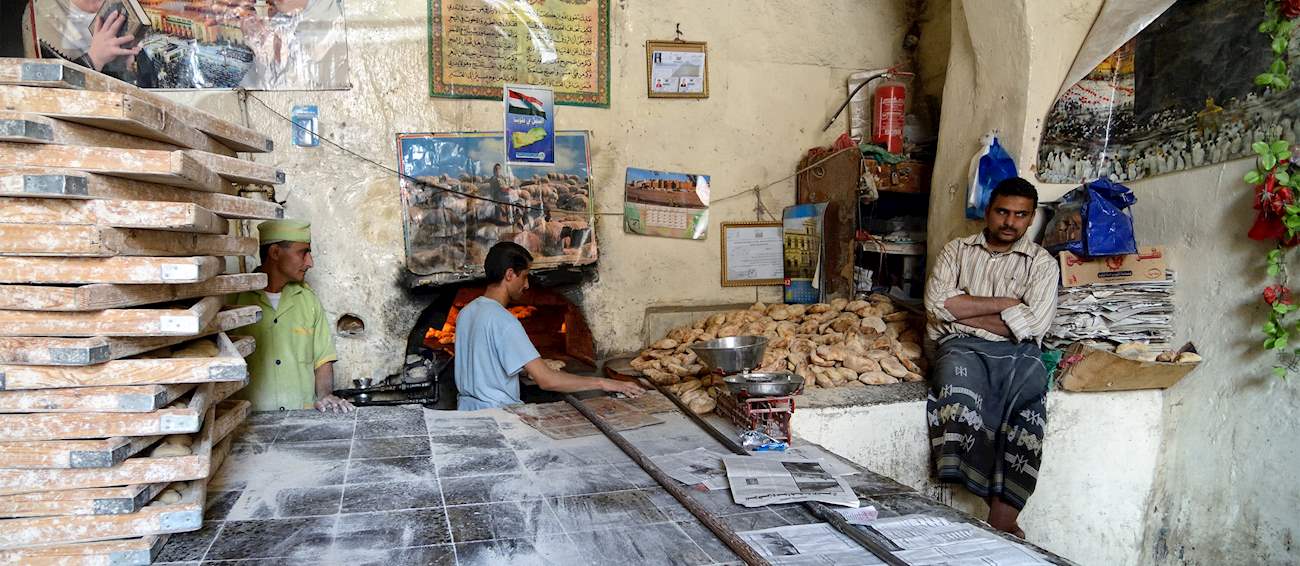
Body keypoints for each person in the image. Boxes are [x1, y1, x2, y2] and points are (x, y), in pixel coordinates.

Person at [923, 177, 1058, 538]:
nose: (1009, 222)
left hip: (1018, 352)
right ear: (988, 211)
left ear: (1031, 219)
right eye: (1002, 211)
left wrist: (965, 307)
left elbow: (1033, 326)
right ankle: (996, 518)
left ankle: (1000, 520)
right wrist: (1007, 306)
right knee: (956, 384)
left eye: (1020, 215)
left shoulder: (1042, 264)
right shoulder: (957, 251)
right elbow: (937, 307)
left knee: (1029, 403)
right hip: (960, 346)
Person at [455, 242, 644, 410]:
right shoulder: (504, 320)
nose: (527, 285)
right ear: (510, 275)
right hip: (498, 416)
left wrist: (526, 367)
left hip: (467, 412)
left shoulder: (467, 313)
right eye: (525, 277)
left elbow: (485, 362)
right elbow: (547, 380)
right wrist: (605, 383)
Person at [231, 220, 354, 413]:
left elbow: (323, 360)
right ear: (275, 253)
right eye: (303, 252)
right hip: (251, 423)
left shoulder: (308, 300)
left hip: (301, 419)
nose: (310, 262)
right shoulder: (235, 300)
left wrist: (325, 396)